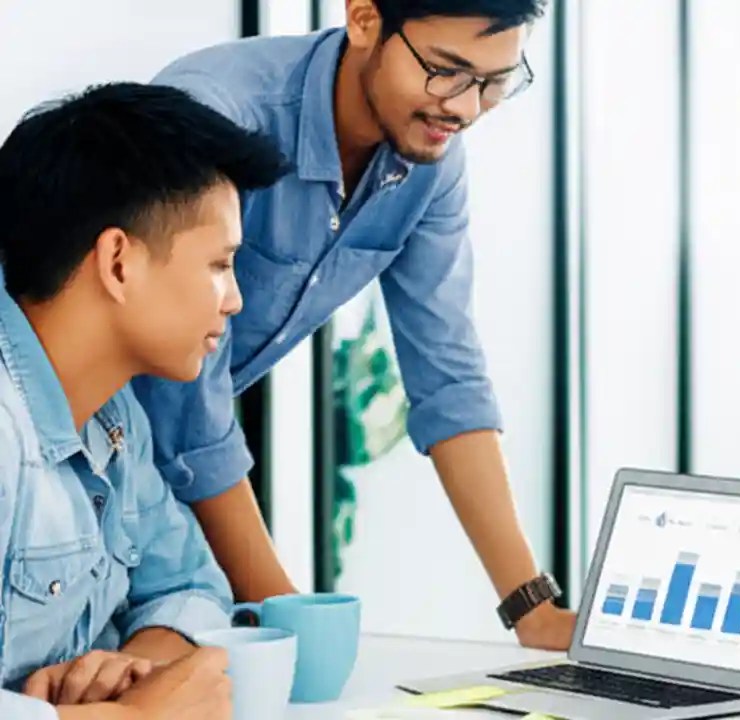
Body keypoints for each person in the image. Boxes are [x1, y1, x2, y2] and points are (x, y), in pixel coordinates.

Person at [140, 0, 574, 648]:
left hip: (156, 483)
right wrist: (288, 618)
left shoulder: (430, 160)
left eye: (493, 82)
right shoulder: (218, 114)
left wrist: (532, 609)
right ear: (365, 19)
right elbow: (186, 397)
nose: (464, 108)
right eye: (446, 71)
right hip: (57, 451)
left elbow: (449, 377)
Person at [0, 83, 289, 718]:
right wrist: (130, 716)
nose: (234, 300)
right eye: (219, 265)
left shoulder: (115, 416)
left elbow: (192, 585)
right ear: (119, 263)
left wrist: (138, 667)